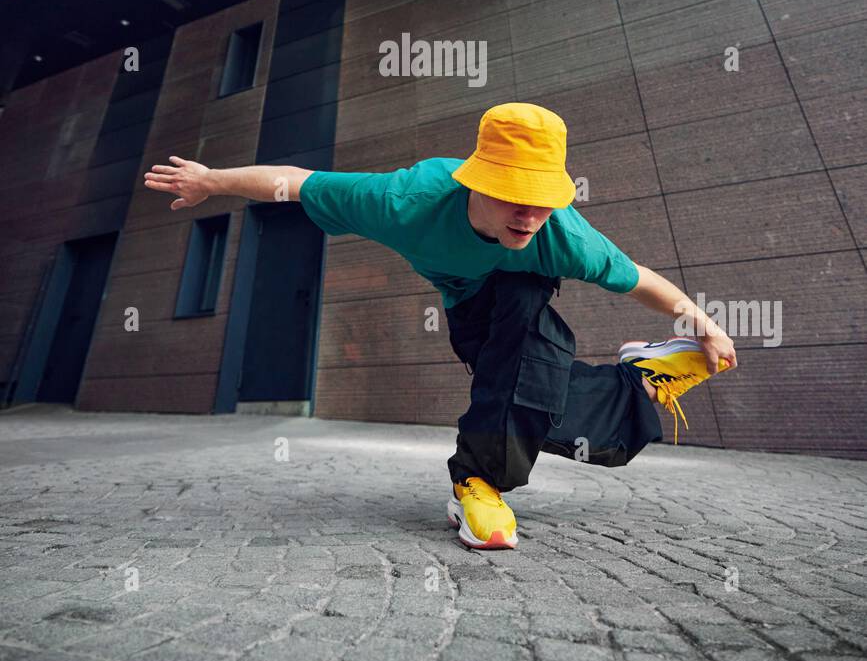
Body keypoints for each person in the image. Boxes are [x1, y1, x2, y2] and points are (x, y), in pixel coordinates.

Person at [143, 102, 737, 551]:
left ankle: (477, 483)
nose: (530, 215)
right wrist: (210, 180)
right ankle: (637, 384)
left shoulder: (561, 233)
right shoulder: (407, 200)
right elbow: (296, 182)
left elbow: (639, 279)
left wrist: (705, 324)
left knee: (526, 328)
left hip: (516, 304)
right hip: (467, 312)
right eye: (513, 196)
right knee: (530, 401)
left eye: (543, 199)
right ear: (476, 180)